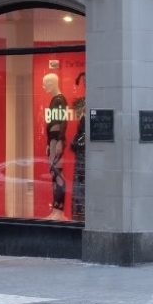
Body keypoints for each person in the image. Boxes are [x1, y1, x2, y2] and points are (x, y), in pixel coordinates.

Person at [43, 73, 68, 220]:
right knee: (54, 173)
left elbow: (63, 121)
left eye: (46, 83)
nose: (44, 87)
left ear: (52, 83)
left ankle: (59, 210)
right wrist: (49, 143)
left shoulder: (60, 100)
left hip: (56, 138)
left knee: (57, 173)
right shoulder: (55, 100)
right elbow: (52, 122)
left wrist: (59, 140)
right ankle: (56, 209)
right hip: (52, 139)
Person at [70, 72, 87, 221]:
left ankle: (83, 213)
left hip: (87, 152)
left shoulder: (90, 104)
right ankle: (80, 213)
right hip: (82, 152)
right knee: (81, 182)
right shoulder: (82, 104)